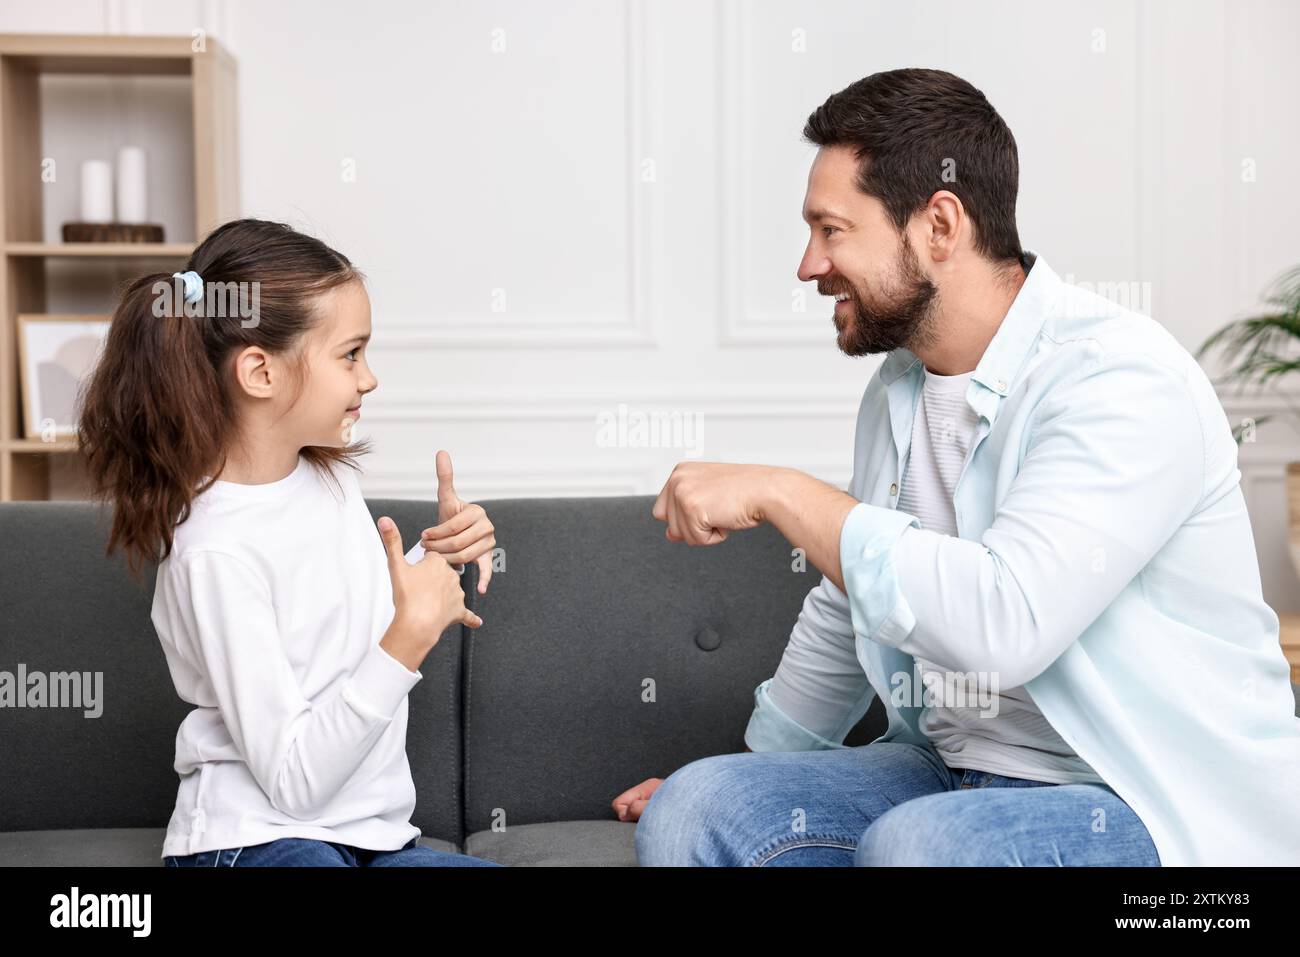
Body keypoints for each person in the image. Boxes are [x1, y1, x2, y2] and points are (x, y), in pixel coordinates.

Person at [615, 68, 1300, 867]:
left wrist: (783, 491)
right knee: (699, 809)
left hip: (1144, 796)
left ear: (939, 224)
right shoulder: (897, 389)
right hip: (950, 772)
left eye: (832, 230)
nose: (809, 265)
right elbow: (852, 604)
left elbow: (1004, 623)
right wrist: (756, 775)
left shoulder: (1119, 377)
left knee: (921, 849)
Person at [79, 218, 501, 867]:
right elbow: (295, 784)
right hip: (253, 838)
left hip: (370, 837)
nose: (369, 378)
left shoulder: (327, 480)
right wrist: (411, 637)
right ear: (260, 371)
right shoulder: (213, 548)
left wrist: (438, 555)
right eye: (351, 353)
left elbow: (354, 631)